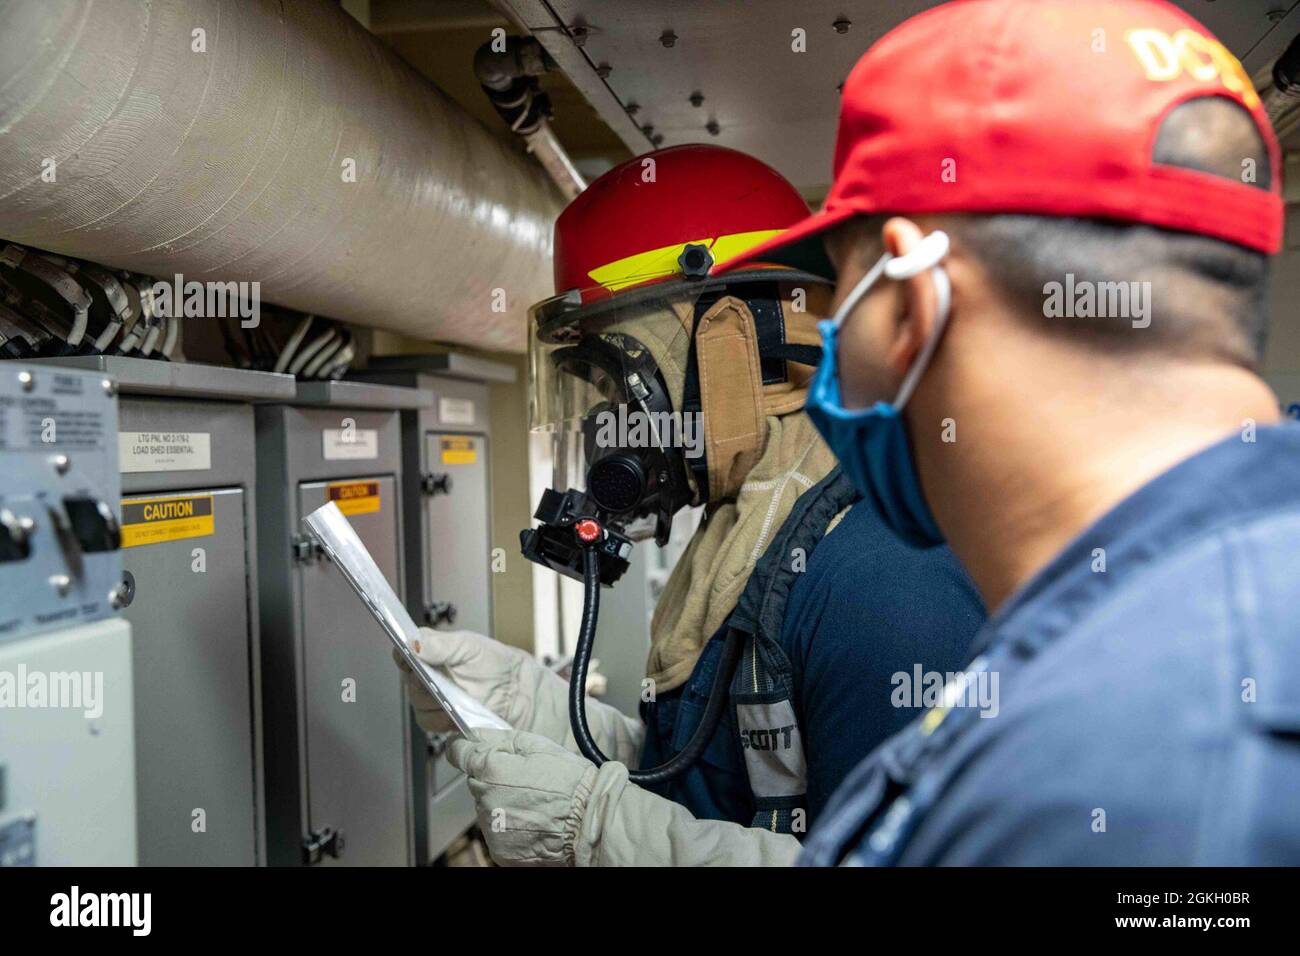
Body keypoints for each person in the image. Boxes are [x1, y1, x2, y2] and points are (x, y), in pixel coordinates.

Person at [714, 0, 1300, 864]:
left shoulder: (1084, 780)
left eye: (843, 292)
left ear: (917, 301)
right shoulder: (1192, 639)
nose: (833, 339)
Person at [400, 144, 985, 865]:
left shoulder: (882, 575)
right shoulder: (749, 534)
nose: (606, 427)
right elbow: (707, 782)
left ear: (730, 347)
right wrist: (534, 711)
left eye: (619, 384)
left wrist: (602, 831)